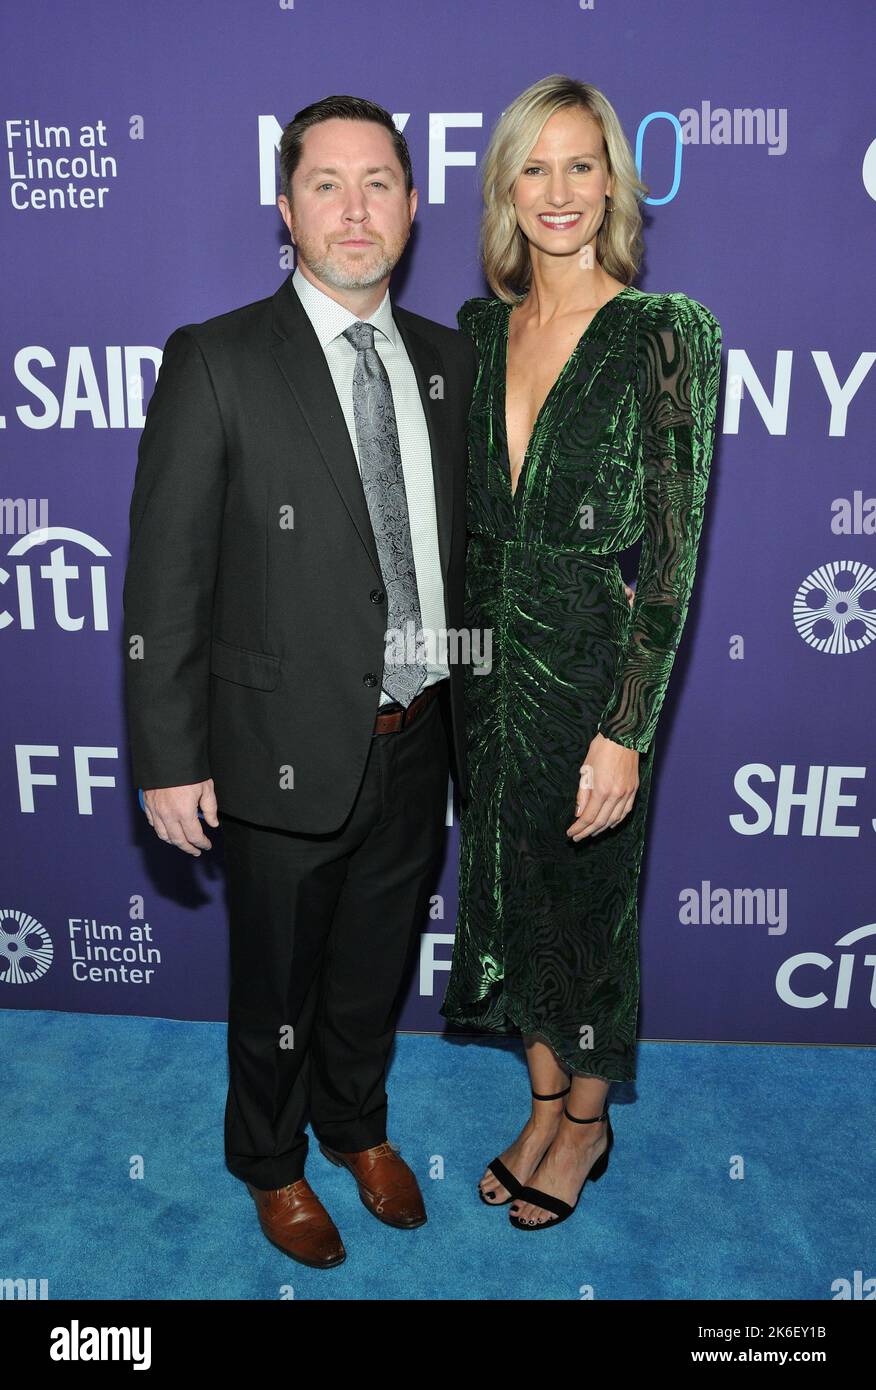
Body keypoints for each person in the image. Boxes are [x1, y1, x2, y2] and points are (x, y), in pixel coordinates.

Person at [122, 95, 476, 1267]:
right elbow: (166, 580)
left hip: (421, 729)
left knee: (374, 963)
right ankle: (271, 1162)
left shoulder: (449, 362)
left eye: (379, 182)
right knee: (276, 974)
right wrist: (170, 756)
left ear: (415, 206)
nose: (355, 208)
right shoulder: (216, 359)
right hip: (275, 736)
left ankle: (356, 1122)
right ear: (286, 208)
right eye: (326, 183)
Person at [440, 75, 722, 1230]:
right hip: (481, 672)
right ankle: (544, 1099)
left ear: (615, 180)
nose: (559, 191)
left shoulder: (668, 334)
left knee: (591, 912)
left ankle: (587, 1126)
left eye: (582, 164)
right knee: (507, 899)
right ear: (508, 185)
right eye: (535, 167)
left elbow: (673, 554)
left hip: (591, 670)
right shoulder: (475, 328)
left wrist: (628, 728)